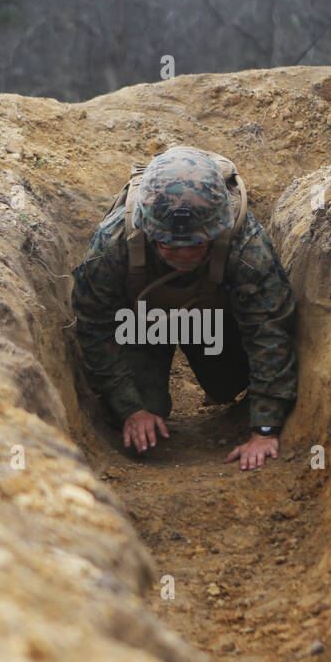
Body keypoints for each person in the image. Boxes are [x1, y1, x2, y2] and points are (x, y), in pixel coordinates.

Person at [71, 145, 297, 470]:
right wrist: (130, 408)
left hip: (214, 324)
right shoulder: (113, 243)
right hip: (142, 325)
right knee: (138, 408)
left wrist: (265, 427)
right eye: (168, 244)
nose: (182, 254)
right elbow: (93, 325)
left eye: (195, 243)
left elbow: (270, 329)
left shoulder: (246, 244)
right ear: (148, 230)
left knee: (227, 383)